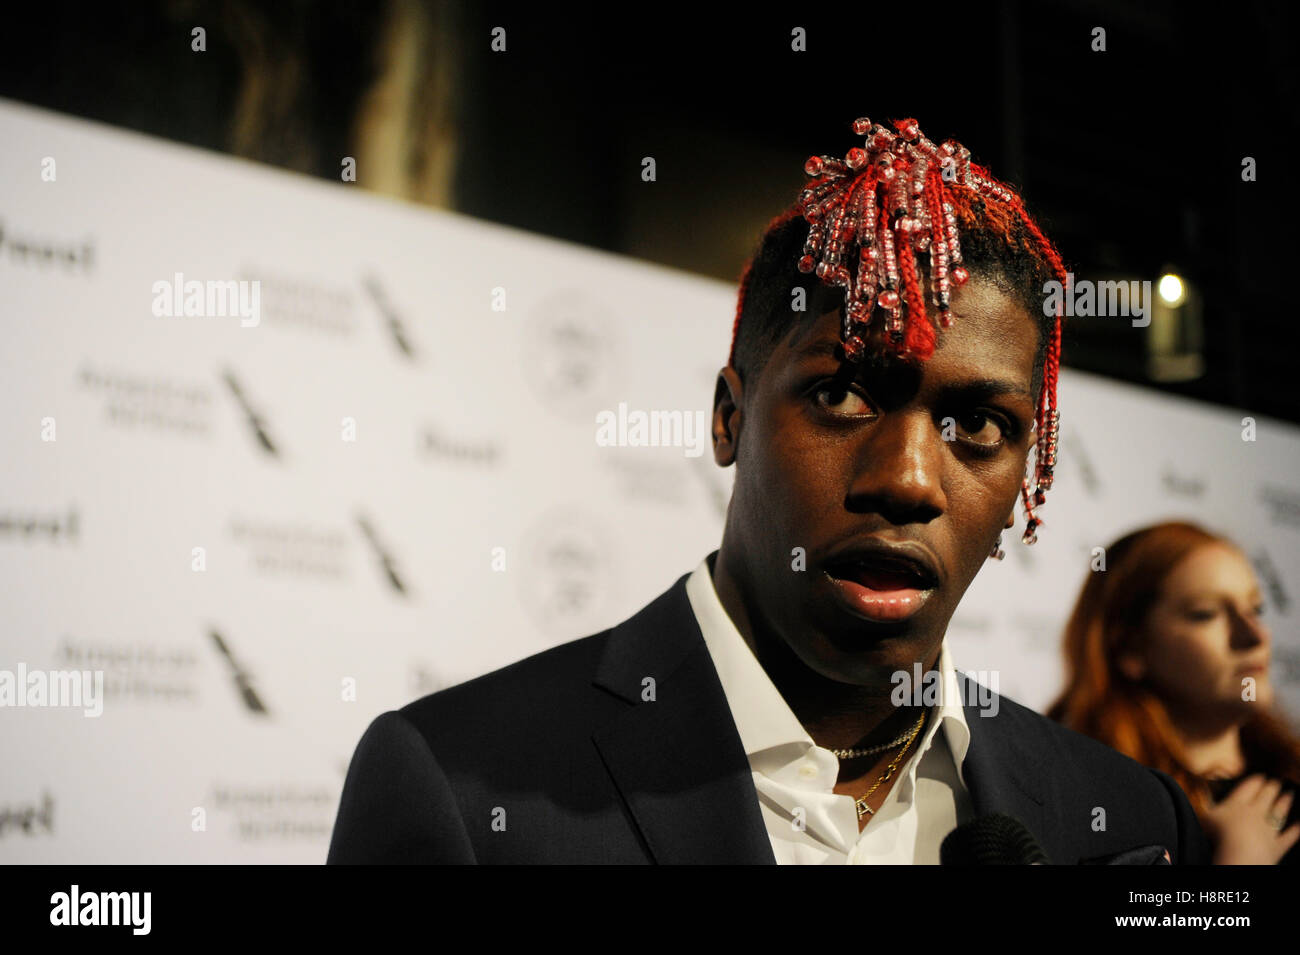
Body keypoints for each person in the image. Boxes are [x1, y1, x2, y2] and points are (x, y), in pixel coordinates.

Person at [327, 116, 1211, 864]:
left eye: (977, 425)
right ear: (728, 418)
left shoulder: (1126, 816)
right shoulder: (462, 787)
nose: (907, 480)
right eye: (843, 394)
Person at [1046, 521, 1300, 864]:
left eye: (1256, 609)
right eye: (1205, 614)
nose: (1255, 636)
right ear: (1130, 649)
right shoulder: (1079, 805)